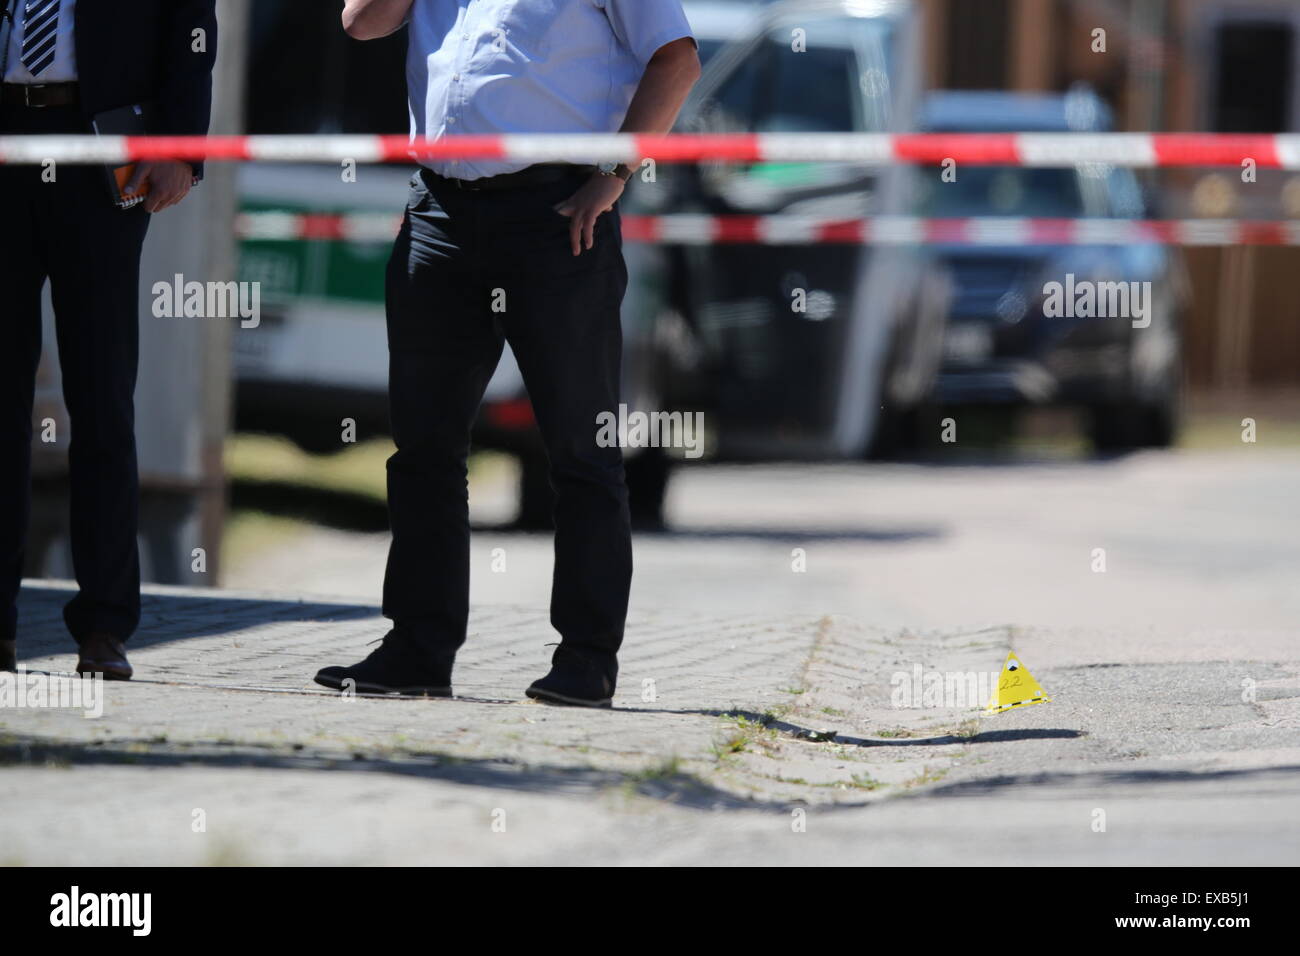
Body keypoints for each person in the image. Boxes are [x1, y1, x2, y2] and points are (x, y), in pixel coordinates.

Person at [315, 0, 700, 707]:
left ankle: (587, 659)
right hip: (441, 211)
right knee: (424, 447)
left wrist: (614, 174)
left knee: (581, 450)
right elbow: (360, 22)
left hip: (558, 214)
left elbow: (676, 60)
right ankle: (417, 650)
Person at [0, 0, 218, 679]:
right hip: (7, 136)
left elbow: (192, 32)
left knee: (101, 394)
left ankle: (103, 624)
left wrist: (182, 146)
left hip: (102, 149)